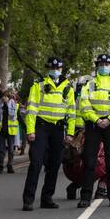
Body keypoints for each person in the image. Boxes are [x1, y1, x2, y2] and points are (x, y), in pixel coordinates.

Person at [23, 57, 77, 210]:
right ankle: (28, 200)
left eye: (57, 68)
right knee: (36, 163)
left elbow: (71, 112)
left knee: (54, 164)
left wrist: (70, 133)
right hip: (41, 127)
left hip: (58, 128)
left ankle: (47, 198)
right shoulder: (39, 85)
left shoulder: (68, 88)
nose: (55, 71)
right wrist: (30, 130)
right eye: (52, 68)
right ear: (48, 69)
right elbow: (32, 109)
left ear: (61, 69)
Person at [79, 53, 110, 207]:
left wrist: (108, 120)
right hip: (94, 124)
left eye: (107, 64)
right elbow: (84, 104)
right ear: (97, 66)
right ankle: (85, 197)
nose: (104, 66)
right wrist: (96, 119)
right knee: (89, 161)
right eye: (101, 64)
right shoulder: (89, 85)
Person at [0, 88, 20, 173]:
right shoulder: (0, 104)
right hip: (1, 130)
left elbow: (13, 115)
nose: (3, 98)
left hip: (10, 130)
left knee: (11, 150)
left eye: (5, 96)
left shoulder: (13, 104)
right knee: (2, 150)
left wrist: (7, 105)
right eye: (3, 96)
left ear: (8, 97)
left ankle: (10, 166)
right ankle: (0, 167)